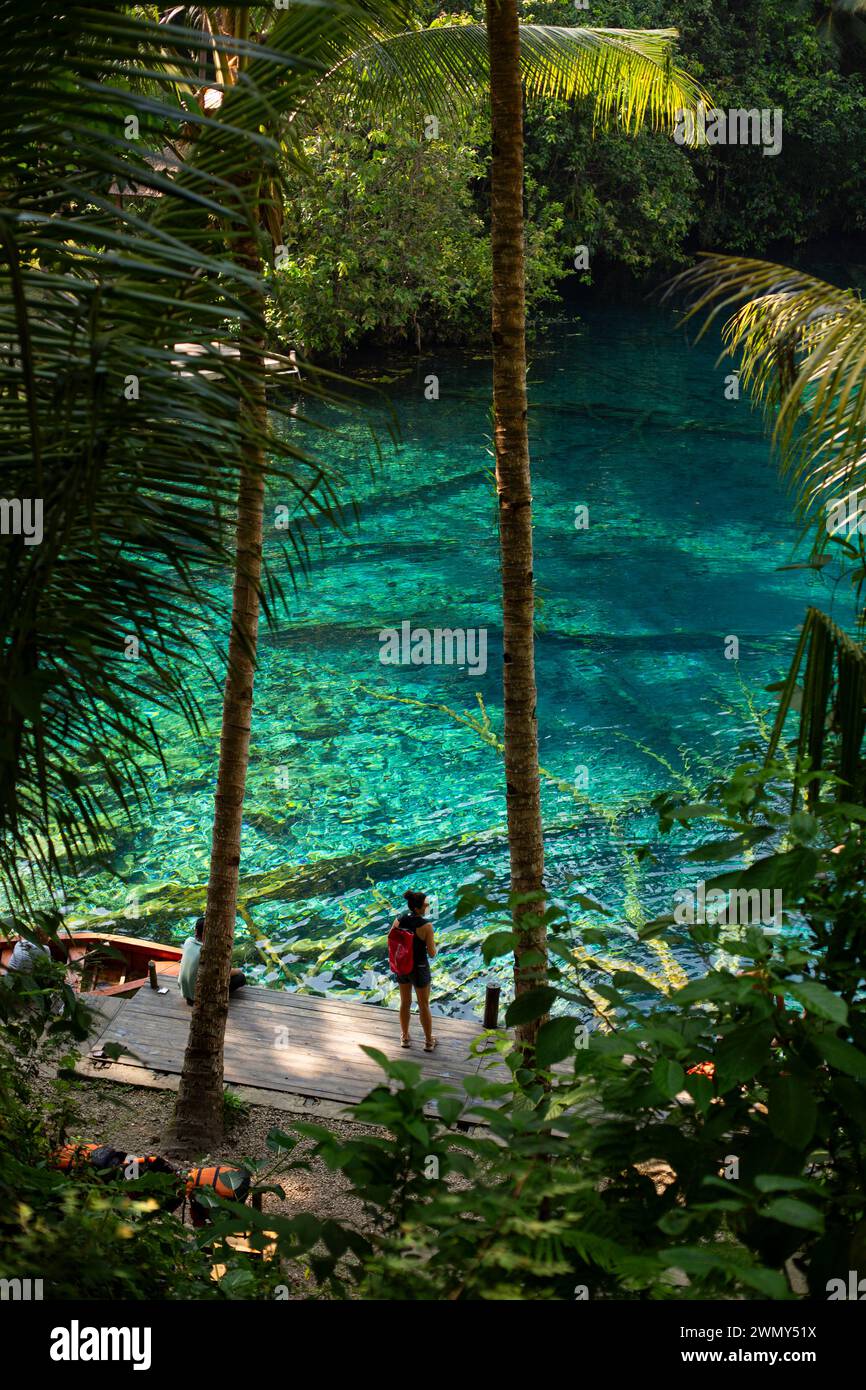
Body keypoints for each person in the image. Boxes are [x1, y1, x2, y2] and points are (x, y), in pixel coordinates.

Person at [391, 890, 437, 1052]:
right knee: (424, 1004)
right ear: (418, 908)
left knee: (405, 1002)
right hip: (419, 968)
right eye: (425, 905)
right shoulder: (426, 926)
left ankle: (404, 1037)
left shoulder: (399, 920)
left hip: (402, 966)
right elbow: (432, 953)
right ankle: (429, 1041)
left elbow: (390, 939)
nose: (428, 906)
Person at [178, 916, 246, 1006]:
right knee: (240, 978)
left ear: (196, 931)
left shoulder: (188, 941)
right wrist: (238, 970)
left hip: (185, 991)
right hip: (199, 997)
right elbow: (225, 973)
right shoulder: (209, 953)